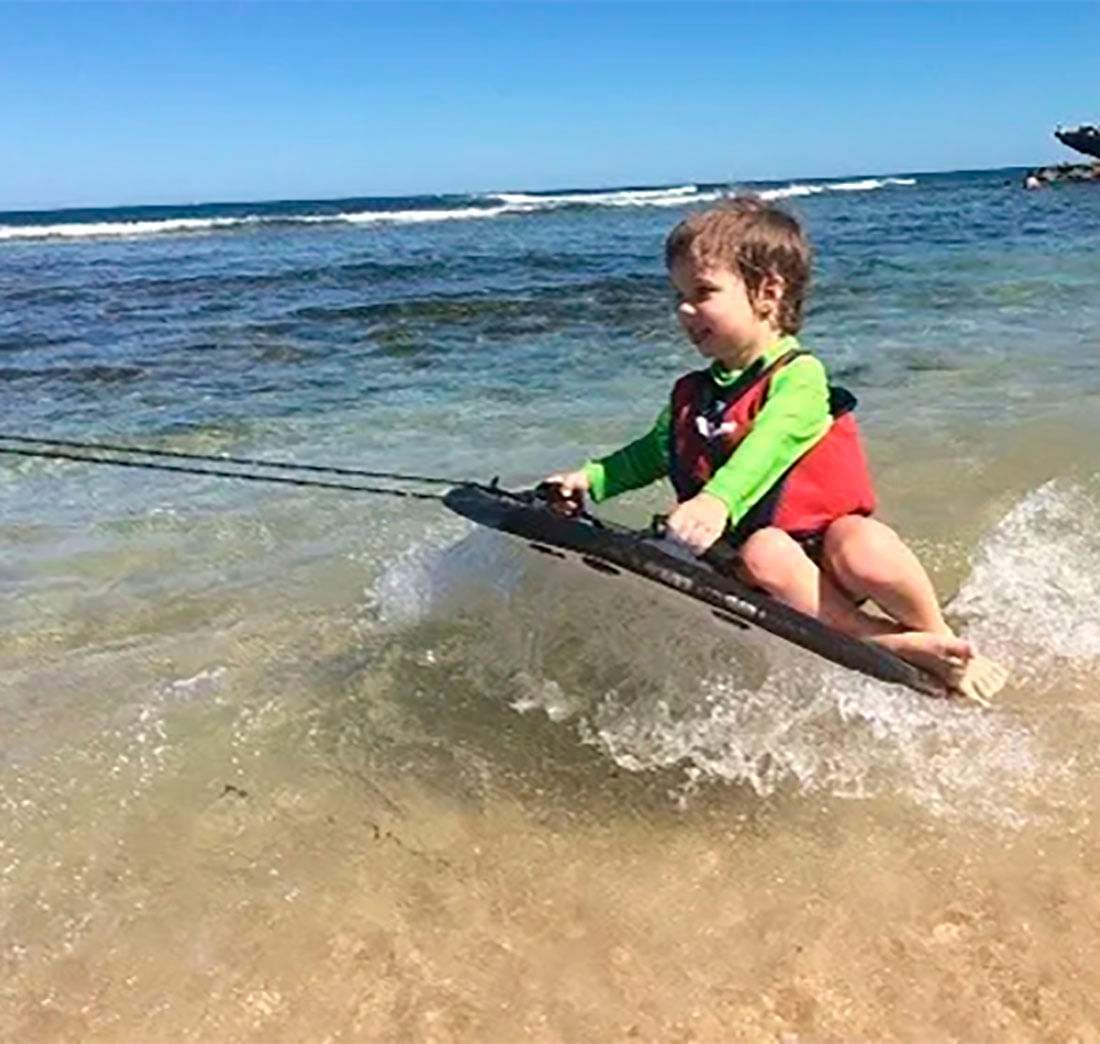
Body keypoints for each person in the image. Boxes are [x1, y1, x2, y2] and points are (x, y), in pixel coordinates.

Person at [546, 197, 1007, 705]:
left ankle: (943, 640)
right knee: (767, 547)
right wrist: (589, 479)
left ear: (767, 292)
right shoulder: (693, 393)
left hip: (825, 552)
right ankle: (885, 639)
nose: (683, 308)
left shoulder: (799, 377)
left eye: (703, 292)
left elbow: (768, 446)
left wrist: (716, 501)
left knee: (864, 539)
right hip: (761, 563)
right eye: (678, 294)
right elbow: (652, 454)